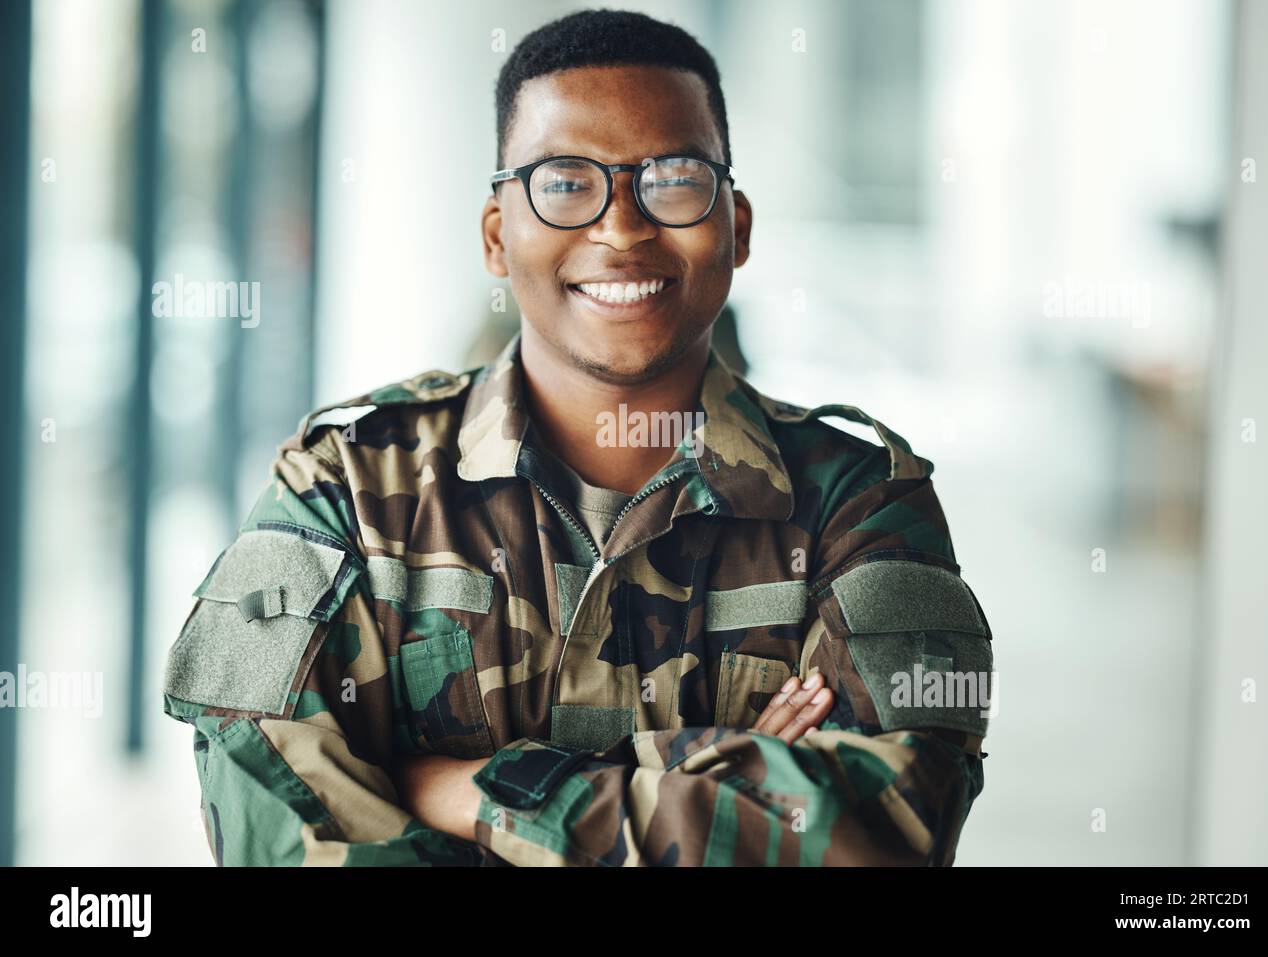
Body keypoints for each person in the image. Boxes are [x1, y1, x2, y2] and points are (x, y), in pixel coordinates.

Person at [161, 7, 994, 867]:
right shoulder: (347, 488)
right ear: (497, 234)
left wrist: (453, 787)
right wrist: (715, 785)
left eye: (672, 179)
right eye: (564, 182)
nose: (624, 227)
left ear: (736, 227)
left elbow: (875, 839)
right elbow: (274, 831)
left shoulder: (860, 499)